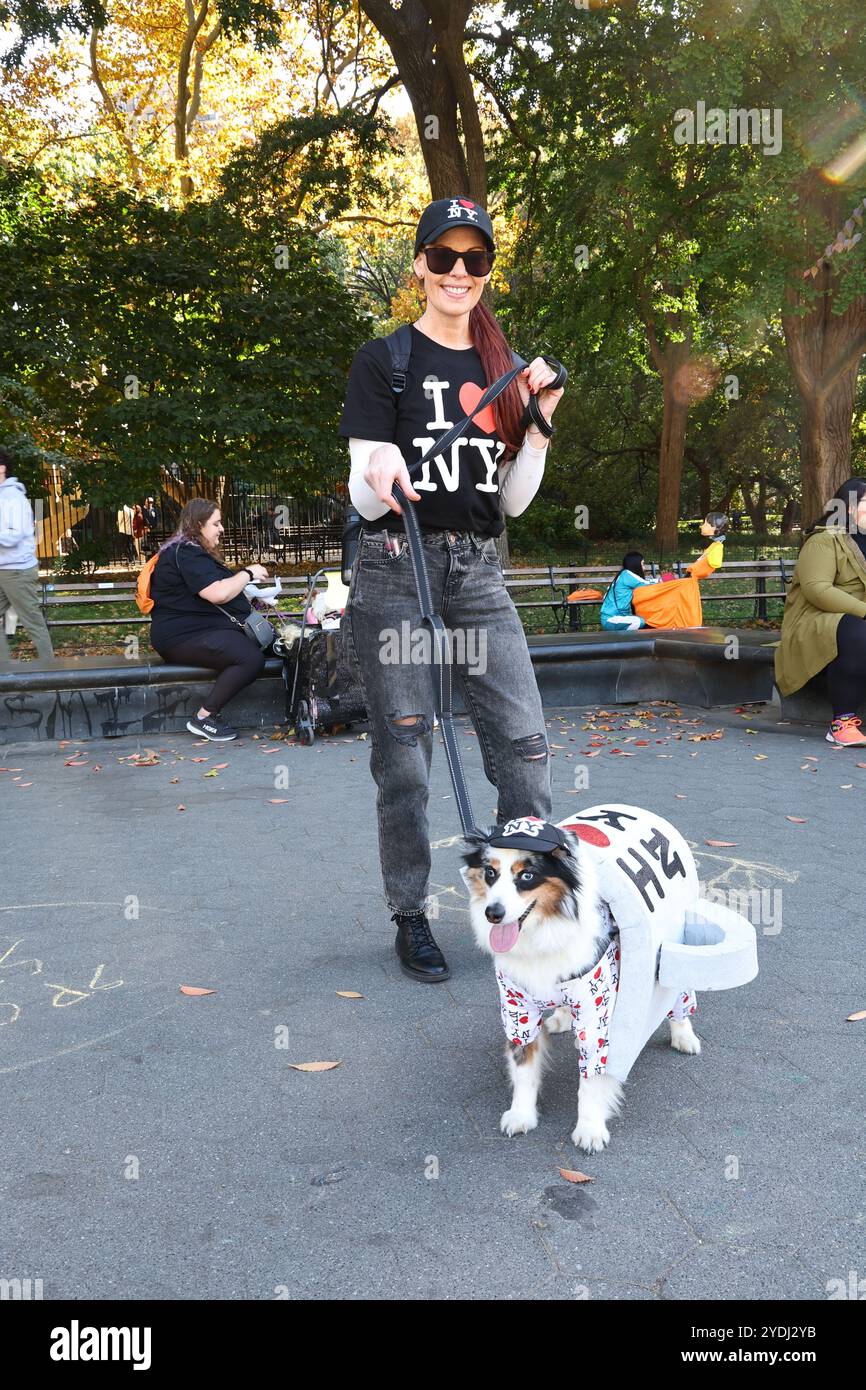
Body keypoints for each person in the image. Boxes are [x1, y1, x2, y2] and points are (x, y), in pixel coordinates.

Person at [339, 195, 565, 983]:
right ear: (420, 265)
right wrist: (378, 469)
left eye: (475, 259)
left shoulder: (503, 370)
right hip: (396, 567)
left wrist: (537, 423)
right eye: (444, 257)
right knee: (405, 754)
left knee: (525, 746)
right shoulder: (385, 360)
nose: (458, 272)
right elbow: (366, 498)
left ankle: (523, 908)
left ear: (487, 270)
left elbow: (511, 503)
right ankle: (411, 915)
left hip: (476, 571)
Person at [148, 497, 270, 741]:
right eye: (216, 524)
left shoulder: (188, 551)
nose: (221, 529)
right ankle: (204, 718)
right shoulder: (186, 553)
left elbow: (213, 590)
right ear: (198, 525)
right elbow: (217, 593)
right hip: (180, 638)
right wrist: (248, 573)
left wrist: (250, 597)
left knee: (269, 645)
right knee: (250, 658)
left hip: (195, 632)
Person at [775, 478, 866, 747]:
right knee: (857, 632)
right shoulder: (823, 541)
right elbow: (818, 590)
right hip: (815, 619)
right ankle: (842, 723)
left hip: (855, 618)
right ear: (848, 508)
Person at [0, 448, 55, 661]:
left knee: (32, 621)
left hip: (17, 571)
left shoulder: (13, 497)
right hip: (5, 568)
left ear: (2, 468)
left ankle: (50, 670)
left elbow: (14, 535)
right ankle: (4, 670)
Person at [599, 551, 658, 631]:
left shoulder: (624, 575)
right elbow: (647, 583)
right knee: (639, 622)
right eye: (643, 564)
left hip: (618, 617)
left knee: (643, 620)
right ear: (636, 564)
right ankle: (625, 640)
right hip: (611, 619)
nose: (644, 568)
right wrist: (667, 579)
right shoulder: (627, 574)